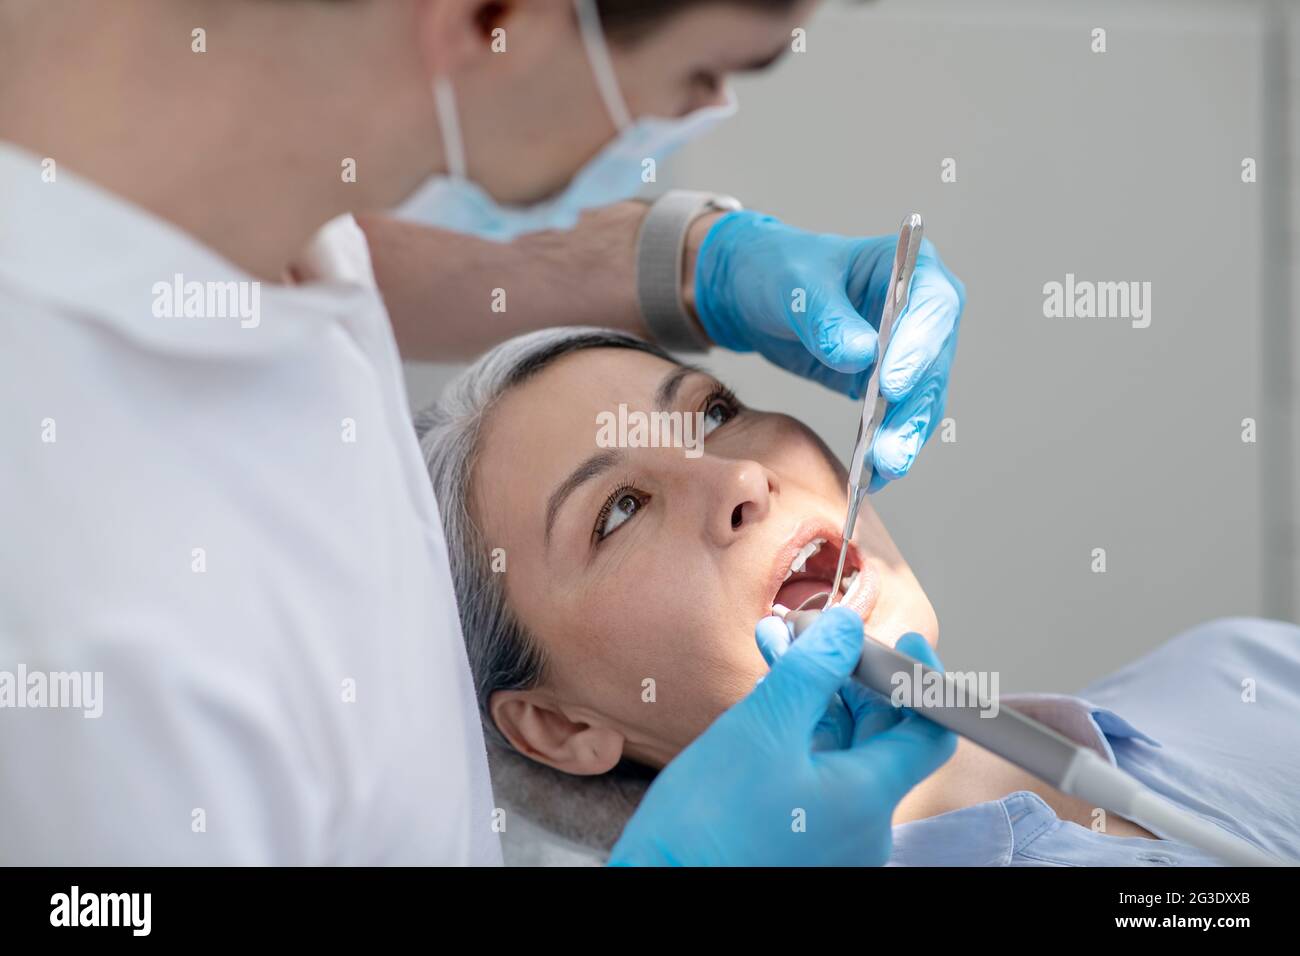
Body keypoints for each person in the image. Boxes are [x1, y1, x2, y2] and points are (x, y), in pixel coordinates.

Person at [0, 0, 962, 864]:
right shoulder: (84, 628)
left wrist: (688, 265)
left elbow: (318, 257)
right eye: (703, 73)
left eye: (712, 411)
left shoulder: (210, 196)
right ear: (494, 18)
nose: (690, 116)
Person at [418, 326, 1300, 866]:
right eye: (617, 510)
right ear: (563, 726)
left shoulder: (1248, 668)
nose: (740, 476)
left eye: (714, 412)